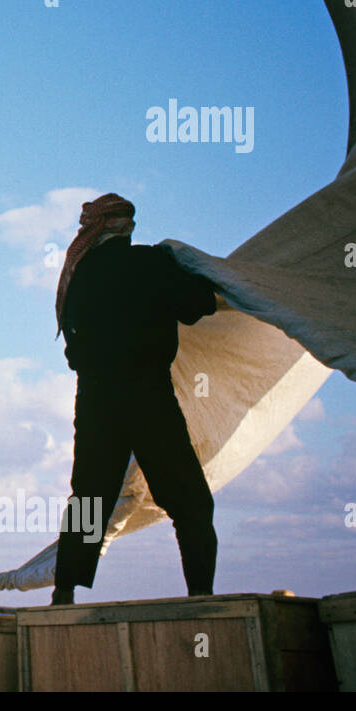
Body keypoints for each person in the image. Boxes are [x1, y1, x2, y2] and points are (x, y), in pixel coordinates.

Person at [50, 193, 219, 605]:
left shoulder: (79, 274)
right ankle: (200, 595)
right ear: (121, 226)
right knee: (188, 499)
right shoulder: (149, 263)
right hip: (146, 392)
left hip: (94, 398)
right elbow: (199, 306)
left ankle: (64, 594)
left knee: (90, 497)